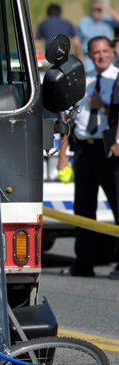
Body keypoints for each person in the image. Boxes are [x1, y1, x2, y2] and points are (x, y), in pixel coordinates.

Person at [58, 36, 119, 276]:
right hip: (83, 149)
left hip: (108, 150)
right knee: (83, 209)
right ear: (90, 54)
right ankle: (83, 264)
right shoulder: (83, 81)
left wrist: (102, 104)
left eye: (105, 51)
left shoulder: (116, 78)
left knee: (118, 207)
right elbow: (69, 119)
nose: (101, 55)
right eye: (96, 52)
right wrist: (63, 155)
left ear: (111, 52)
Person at [75, 0, 119, 71]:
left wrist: (106, 8)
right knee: (90, 76)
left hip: (106, 56)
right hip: (89, 58)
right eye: (94, 9)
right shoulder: (83, 23)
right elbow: (77, 41)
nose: (96, 12)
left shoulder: (107, 21)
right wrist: (80, 56)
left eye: (98, 9)